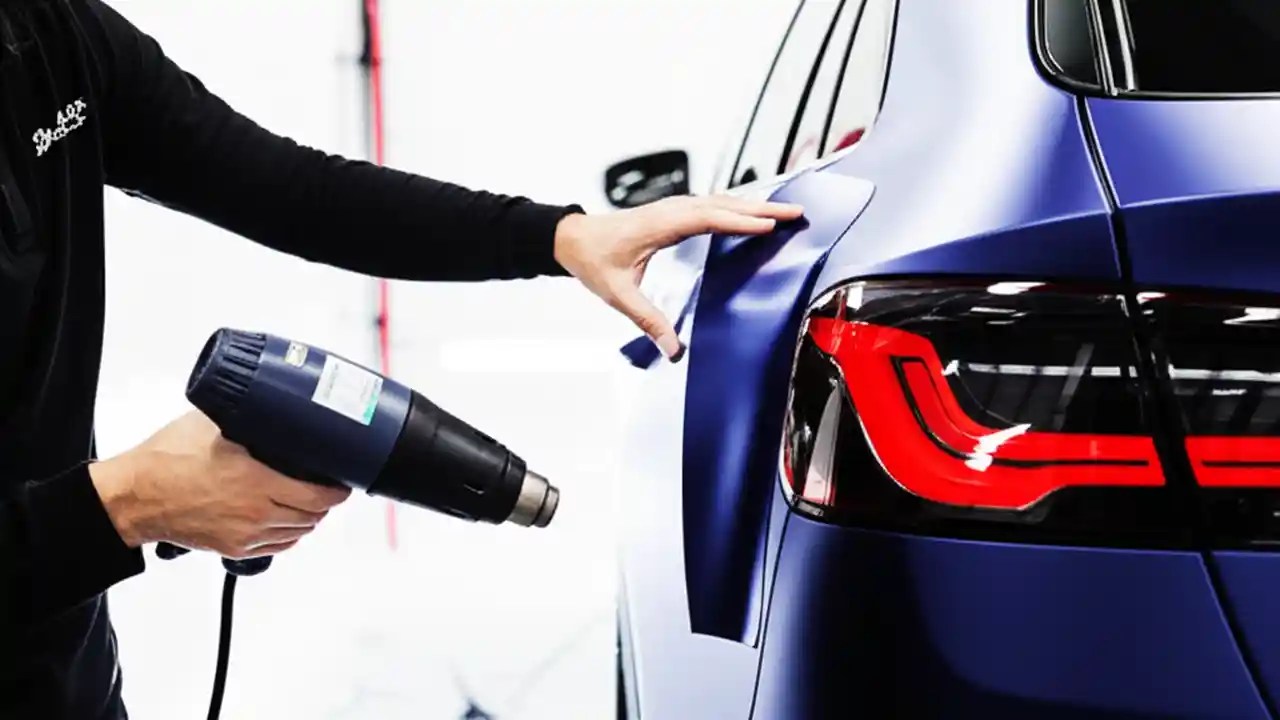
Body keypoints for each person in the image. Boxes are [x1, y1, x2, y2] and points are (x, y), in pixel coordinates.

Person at [0, 1, 803, 717]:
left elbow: (290, 189)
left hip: (65, 662)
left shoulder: (51, 38)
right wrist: (124, 504)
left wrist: (560, 237)